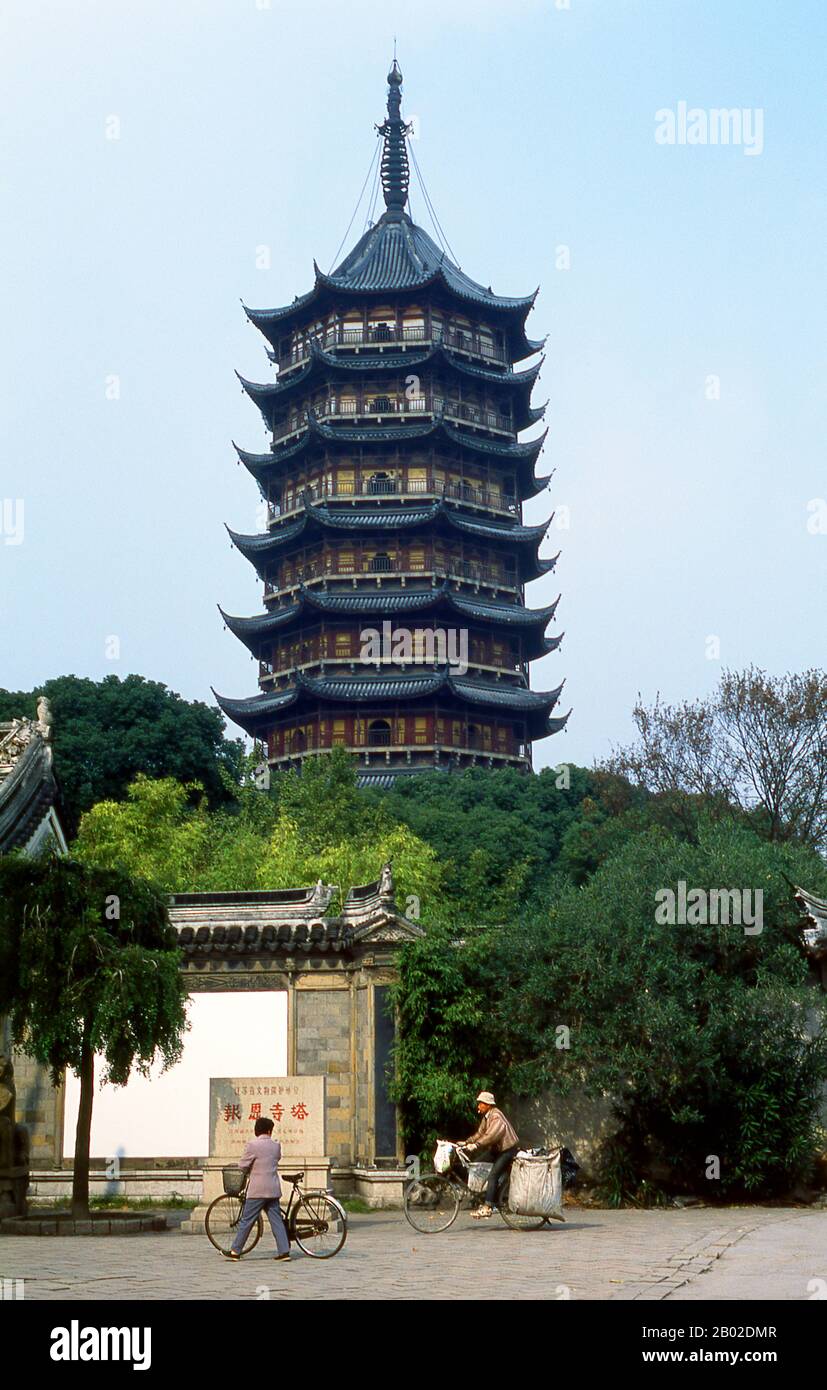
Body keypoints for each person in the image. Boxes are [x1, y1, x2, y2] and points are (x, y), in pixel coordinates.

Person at [227, 1116, 290, 1260]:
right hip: (273, 1189)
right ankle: (284, 1251)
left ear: (257, 1130)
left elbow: (242, 1165)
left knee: (247, 1220)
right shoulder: (276, 1145)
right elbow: (276, 1159)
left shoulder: (252, 1145)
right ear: (269, 1130)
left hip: (257, 1190)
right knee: (276, 1221)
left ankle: (235, 1251)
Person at [458, 1090, 520, 1219]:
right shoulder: (487, 1117)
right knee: (477, 1164)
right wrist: (466, 1142)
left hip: (507, 1150)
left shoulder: (496, 1116)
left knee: (493, 1175)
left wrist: (476, 1145)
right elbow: (480, 1133)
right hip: (497, 1149)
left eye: (481, 1103)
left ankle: (488, 1206)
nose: (478, 1106)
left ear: (488, 1104)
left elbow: (491, 1135)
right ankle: (488, 1194)